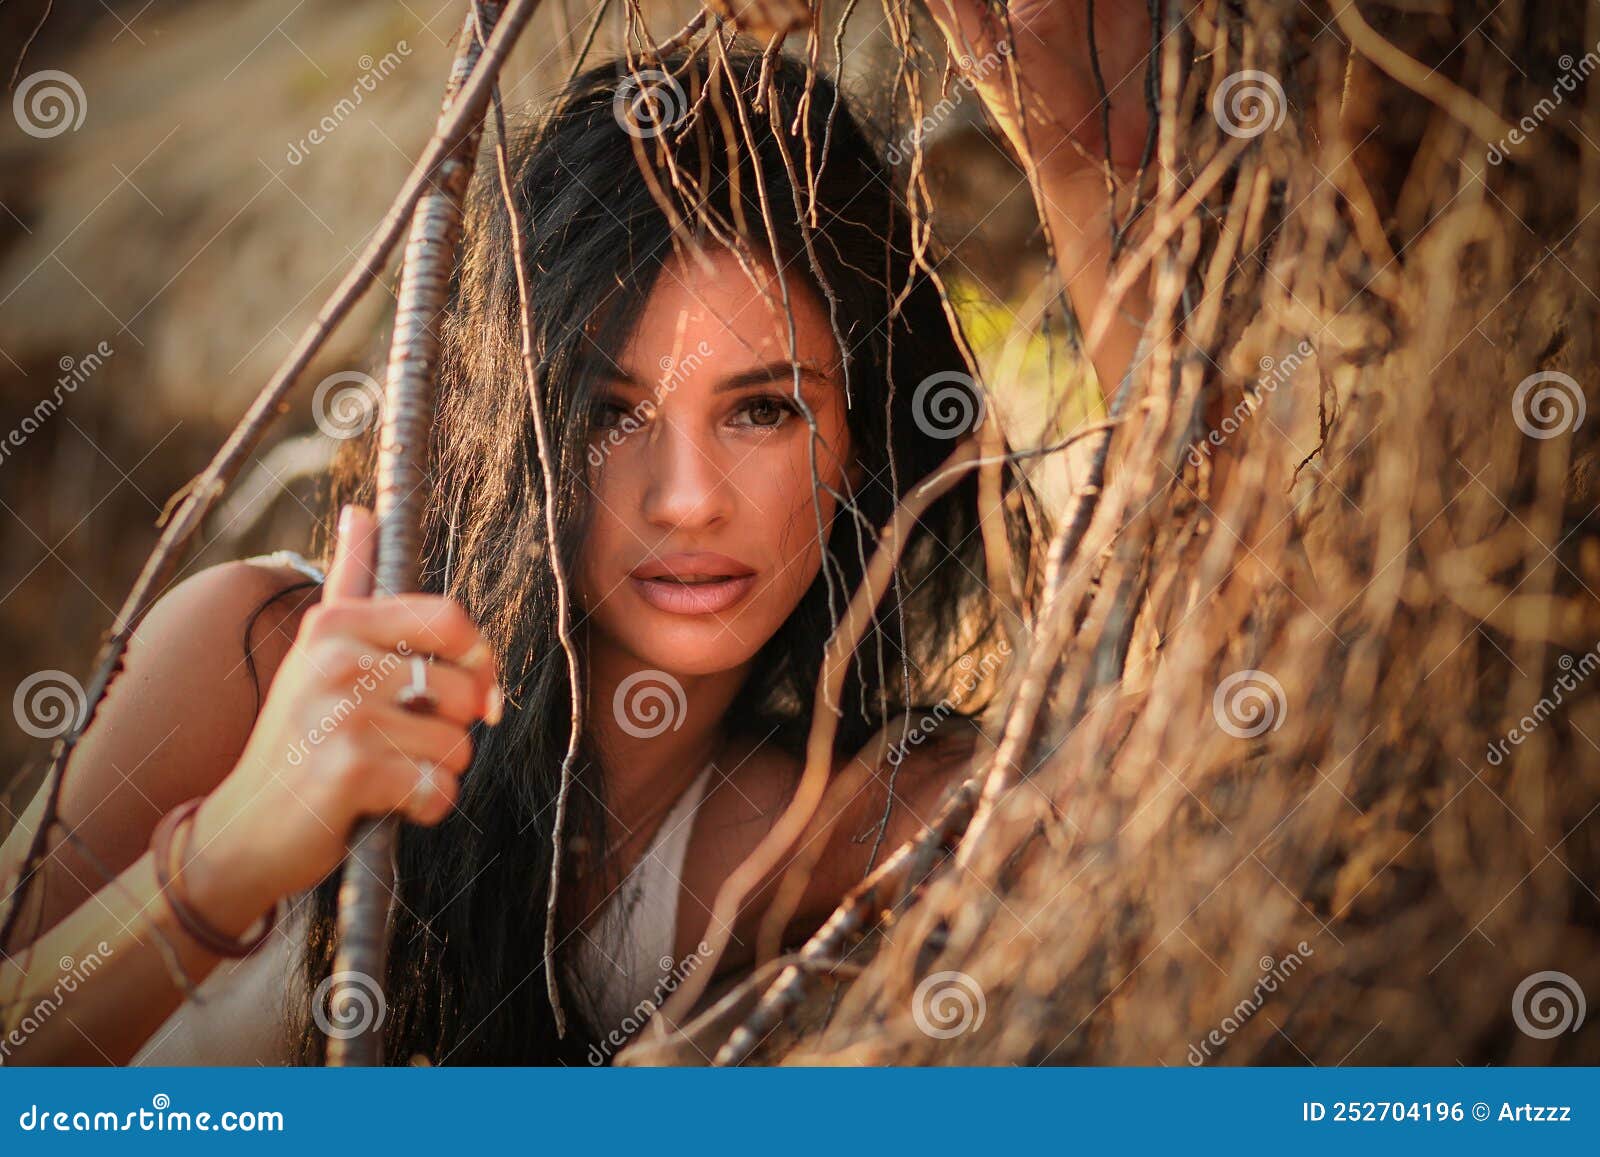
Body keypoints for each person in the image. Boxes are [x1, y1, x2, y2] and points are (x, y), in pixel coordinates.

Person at [0, 1, 1152, 1064]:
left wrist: (1081, 165)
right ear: (516, 425)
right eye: (609, 412)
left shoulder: (815, 830)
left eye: (763, 408)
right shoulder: (255, 658)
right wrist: (234, 850)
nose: (686, 497)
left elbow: (1184, 746)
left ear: (861, 435)